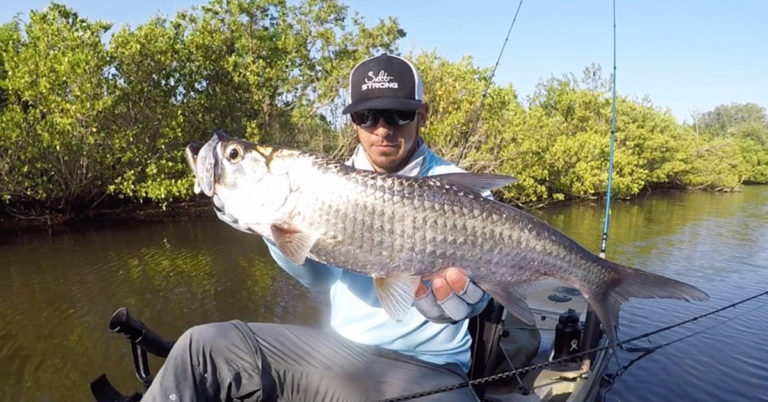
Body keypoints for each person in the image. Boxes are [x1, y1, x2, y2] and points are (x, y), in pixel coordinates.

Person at [142, 54, 491, 401]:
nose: (382, 128)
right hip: (337, 354)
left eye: (398, 113)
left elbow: (490, 282)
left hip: (431, 367)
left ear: (422, 115)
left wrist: (477, 299)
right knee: (201, 348)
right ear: (353, 122)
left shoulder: (461, 190)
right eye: (366, 115)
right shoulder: (321, 182)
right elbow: (320, 281)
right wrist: (272, 233)